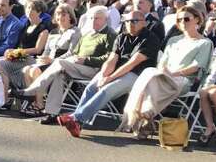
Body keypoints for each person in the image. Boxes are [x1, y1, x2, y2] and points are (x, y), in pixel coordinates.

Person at [57, 7, 162, 137]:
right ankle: (77, 122)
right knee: (91, 87)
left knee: (107, 90)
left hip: (137, 75)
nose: (130, 24)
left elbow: (132, 63)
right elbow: (112, 59)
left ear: (144, 22)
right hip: (117, 71)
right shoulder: (122, 37)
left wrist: (110, 78)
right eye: (127, 21)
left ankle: (75, 118)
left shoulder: (151, 39)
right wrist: (104, 75)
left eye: (134, 21)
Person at [117, 6, 213, 138]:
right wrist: (163, 70)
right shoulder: (174, 40)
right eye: (179, 20)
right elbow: (163, 60)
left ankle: (142, 115)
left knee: (151, 78)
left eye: (186, 19)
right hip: (163, 76)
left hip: (183, 79)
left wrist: (173, 74)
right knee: (149, 73)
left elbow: (196, 67)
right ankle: (144, 116)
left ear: (197, 20)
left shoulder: (204, 43)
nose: (183, 22)